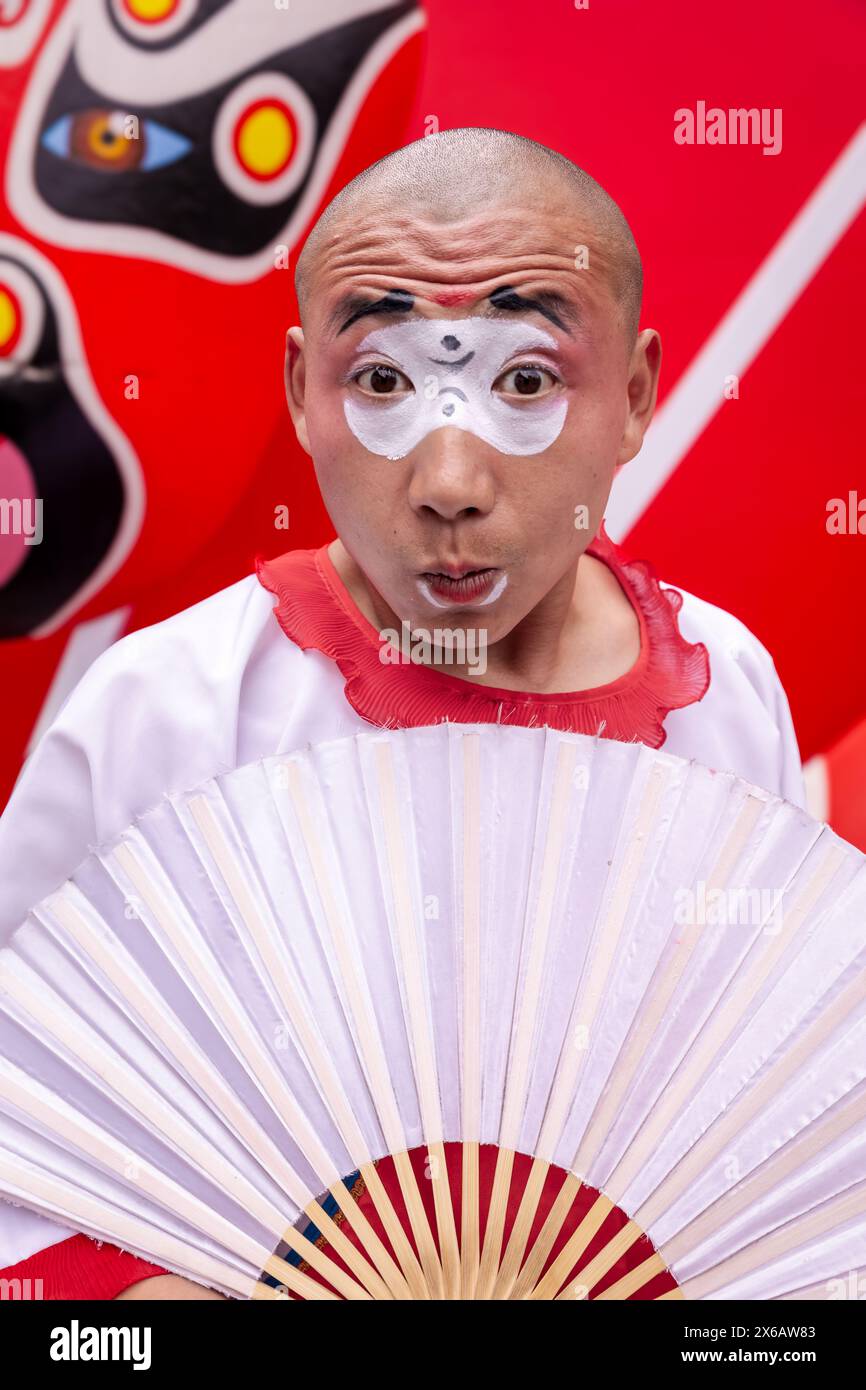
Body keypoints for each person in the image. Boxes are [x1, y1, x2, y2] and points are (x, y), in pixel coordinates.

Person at [0, 128, 804, 1300]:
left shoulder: (727, 690)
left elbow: (771, 1125)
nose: (448, 484)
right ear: (299, 392)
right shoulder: (165, 711)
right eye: (381, 380)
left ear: (631, 398)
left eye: (524, 381)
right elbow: (24, 1116)